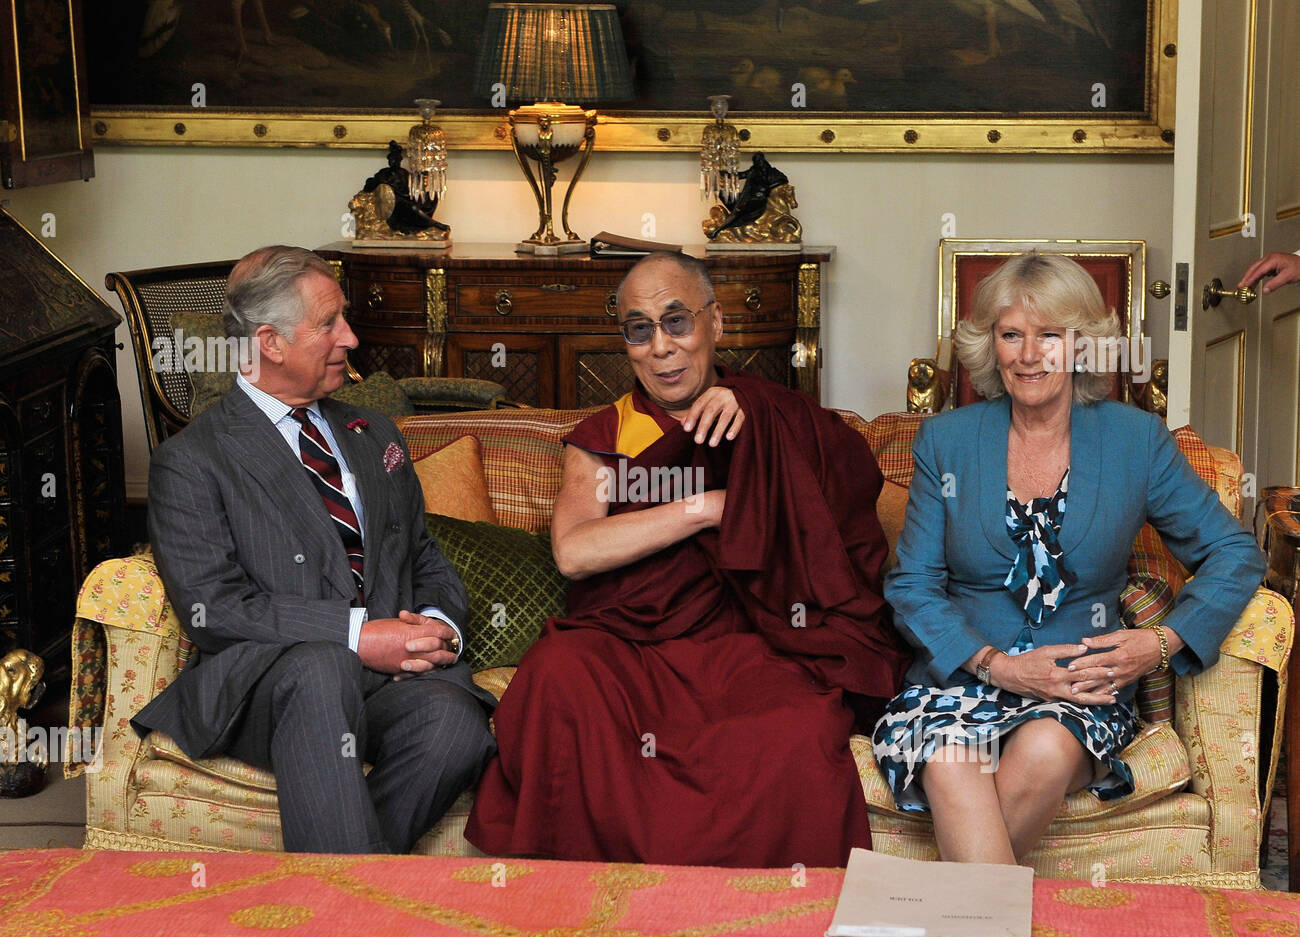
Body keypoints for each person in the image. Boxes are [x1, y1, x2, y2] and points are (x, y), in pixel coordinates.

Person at [466, 251, 909, 867]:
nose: (661, 347)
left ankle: (777, 923)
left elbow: (845, 504)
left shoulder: (777, 417)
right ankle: (581, 904)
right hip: (635, 644)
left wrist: (757, 413)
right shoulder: (609, 433)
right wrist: (707, 508)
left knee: (799, 731)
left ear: (716, 325)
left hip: (756, 640)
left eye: (677, 322)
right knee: (557, 674)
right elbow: (573, 552)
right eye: (639, 329)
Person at [875, 253, 1265, 865]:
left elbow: (1234, 552)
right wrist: (998, 666)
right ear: (991, 345)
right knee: (950, 759)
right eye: (1011, 335)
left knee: (1044, 749)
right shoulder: (947, 441)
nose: (1029, 355)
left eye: (1050, 335)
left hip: (1080, 689)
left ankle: (947, 932)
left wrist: (1161, 643)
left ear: (1082, 346)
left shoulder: (1135, 440)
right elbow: (912, 586)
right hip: (963, 679)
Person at [134, 246, 496, 854]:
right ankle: (352, 915)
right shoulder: (192, 461)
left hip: (383, 682)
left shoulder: (371, 431)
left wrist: (436, 626)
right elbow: (213, 608)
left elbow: (422, 551)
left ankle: (337, 889)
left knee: (454, 723)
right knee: (322, 667)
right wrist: (357, 634)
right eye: (329, 324)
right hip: (264, 686)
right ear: (270, 343)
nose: (350, 337)